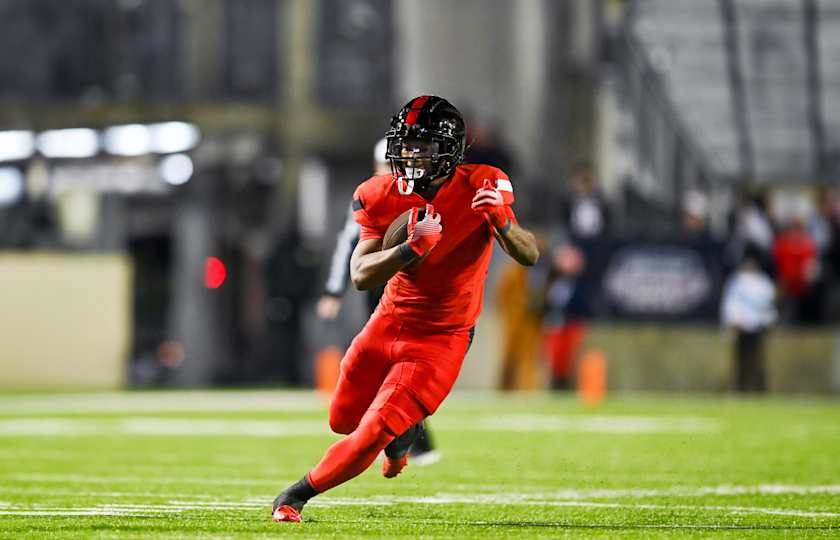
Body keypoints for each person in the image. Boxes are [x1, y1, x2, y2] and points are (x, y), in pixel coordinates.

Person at [272, 95, 539, 523]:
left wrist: (502, 222)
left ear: (448, 150)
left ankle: (295, 496)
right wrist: (408, 250)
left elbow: (529, 254)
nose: (411, 155)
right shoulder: (379, 192)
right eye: (406, 145)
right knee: (342, 420)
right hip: (388, 321)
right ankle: (403, 436)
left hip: (442, 337)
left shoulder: (483, 184)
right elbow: (360, 274)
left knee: (371, 431)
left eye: (423, 146)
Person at [315, 137, 440, 465]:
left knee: (414, 363)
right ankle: (409, 436)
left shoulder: (425, 193)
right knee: (390, 363)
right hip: (382, 291)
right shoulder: (369, 196)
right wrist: (334, 290)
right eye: (385, 165)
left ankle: (409, 435)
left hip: (420, 293)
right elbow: (348, 244)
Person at [720, 252, 777, 392]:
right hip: (741, 326)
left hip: (758, 327)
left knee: (758, 360)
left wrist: (768, 320)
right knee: (741, 360)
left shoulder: (763, 282)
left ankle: (759, 389)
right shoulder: (737, 280)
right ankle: (741, 388)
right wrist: (733, 321)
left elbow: (768, 304)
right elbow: (731, 303)